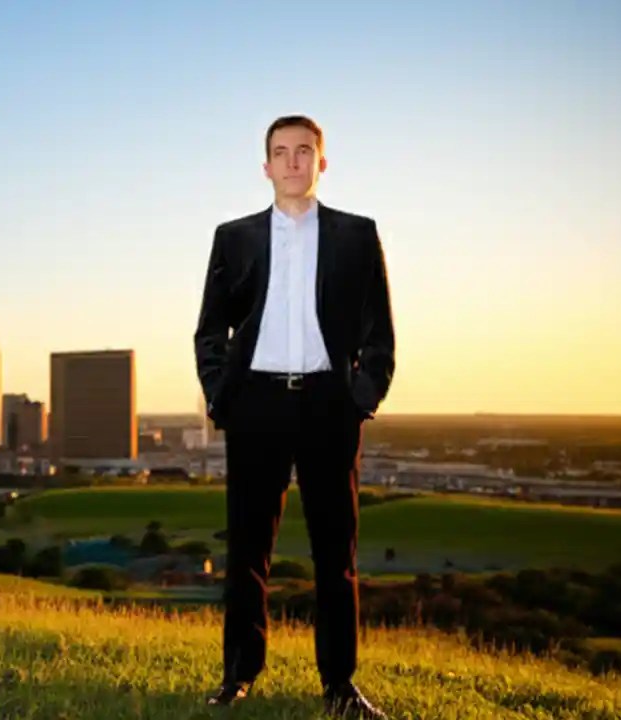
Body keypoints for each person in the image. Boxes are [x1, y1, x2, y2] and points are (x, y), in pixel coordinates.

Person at [193, 115, 395, 718]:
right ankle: (238, 676)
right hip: (256, 404)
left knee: (336, 554)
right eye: (280, 153)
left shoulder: (358, 235)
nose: (292, 163)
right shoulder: (234, 237)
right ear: (265, 167)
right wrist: (220, 395)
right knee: (248, 550)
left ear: (321, 163)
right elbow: (210, 329)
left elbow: (379, 329)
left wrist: (362, 396)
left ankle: (339, 684)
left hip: (329, 407)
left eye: (303, 152)